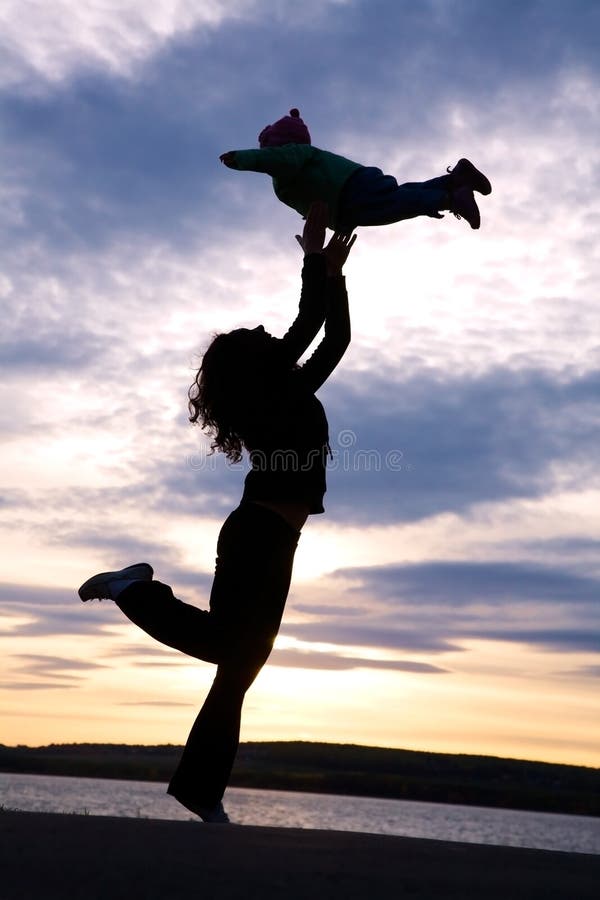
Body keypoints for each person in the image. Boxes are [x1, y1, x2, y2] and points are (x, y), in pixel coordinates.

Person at [77, 202, 356, 824]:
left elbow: (331, 336)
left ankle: (201, 792)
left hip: (272, 536)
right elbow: (314, 326)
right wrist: (317, 263)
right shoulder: (272, 394)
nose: (267, 333)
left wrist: (330, 271)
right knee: (229, 649)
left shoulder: (285, 390)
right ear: (258, 366)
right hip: (258, 534)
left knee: (240, 664)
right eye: (261, 339)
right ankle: (132, 591)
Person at [220, 108, 491, 231]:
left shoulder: (291, 155)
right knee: (400, 196)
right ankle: (455, 179)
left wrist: (243, 159)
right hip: (351, 189)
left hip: (347, 194)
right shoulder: (301, 162)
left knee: (395, 205)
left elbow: (274, 160)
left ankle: (451, 198)